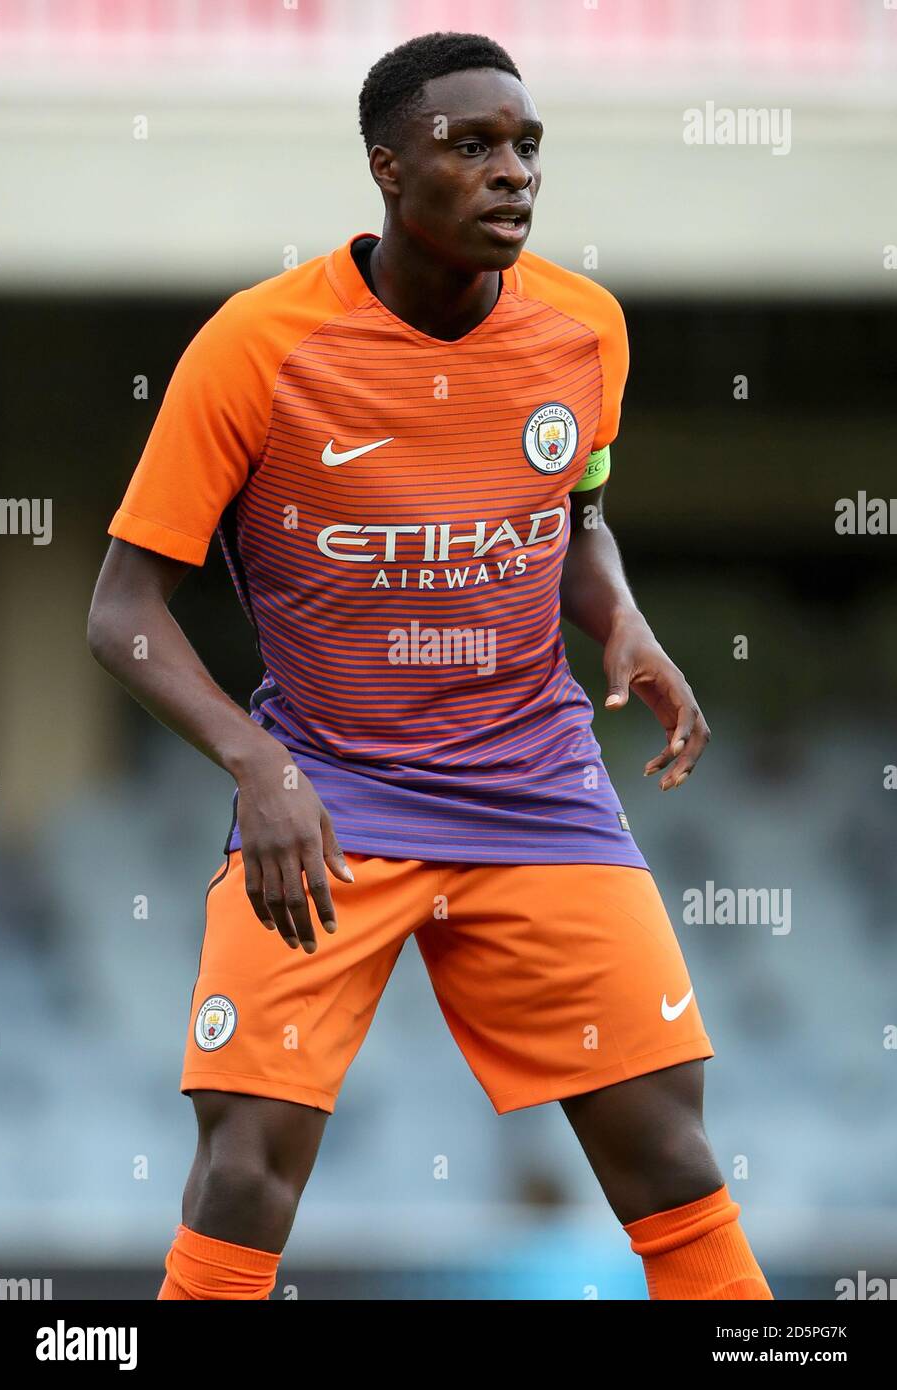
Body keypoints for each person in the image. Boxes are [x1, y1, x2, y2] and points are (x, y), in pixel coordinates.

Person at [88, 30, 772, 1301]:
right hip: (330, 792)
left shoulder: (584, 330)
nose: (510, 173)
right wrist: (256, 762)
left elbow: (572, 522)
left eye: (525, 147)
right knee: (244, 1170)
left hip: (535, 787)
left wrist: (618, 617)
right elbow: (119, 611)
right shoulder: (255, 348)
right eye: (471, 146)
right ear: (387, 169)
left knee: (669, 1155)